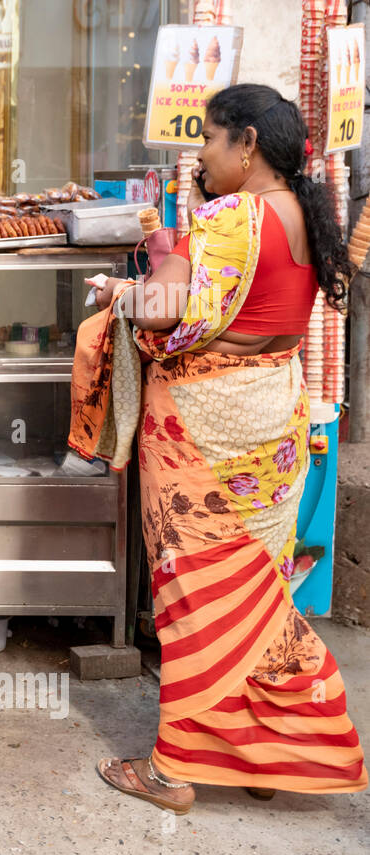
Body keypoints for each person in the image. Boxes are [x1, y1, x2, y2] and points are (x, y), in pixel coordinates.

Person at [84, 84, 366, 810]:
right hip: (275, 417)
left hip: (204, 425)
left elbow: (175, 312)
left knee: (194, 594)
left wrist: (122, 295)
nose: (200, 153)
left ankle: (173, 770)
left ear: (246, 143)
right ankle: (267, 754)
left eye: (209, 138)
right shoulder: (307, 210)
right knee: (260, 594)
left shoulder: (234, 216)